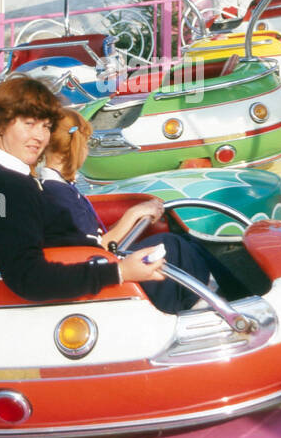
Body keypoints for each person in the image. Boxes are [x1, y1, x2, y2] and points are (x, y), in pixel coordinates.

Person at [0, 76, 166, 303]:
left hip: (83, 273)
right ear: (0, 124)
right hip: (93, 293)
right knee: (182, 253)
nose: (39, 137)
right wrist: (120, 272)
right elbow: (27, 276)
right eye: (29, 124)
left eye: (46, 127)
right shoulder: (6, 188)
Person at [40, 108, 249, 315]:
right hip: (104, 276)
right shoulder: (58, 194)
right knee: (173, 245)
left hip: (101, 263)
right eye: (86, 144)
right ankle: (221, 302)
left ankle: (239, 296)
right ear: (77, 146)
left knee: (186, 242)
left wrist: (135, 215)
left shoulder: (59, 187)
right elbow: (96, 248)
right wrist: (133, 215)